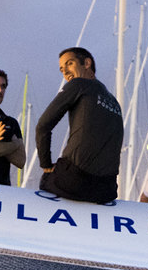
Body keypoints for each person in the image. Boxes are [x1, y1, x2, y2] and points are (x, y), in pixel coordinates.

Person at [31, 47, 124, 204]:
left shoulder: (79, 84)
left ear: (87, 63)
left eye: (70, 63)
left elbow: (43, 126)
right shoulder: (115, 103)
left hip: (75, 181)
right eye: (61, 69)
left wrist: (46, 165)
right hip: (106, 189)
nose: (65, 72)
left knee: (48, 179)